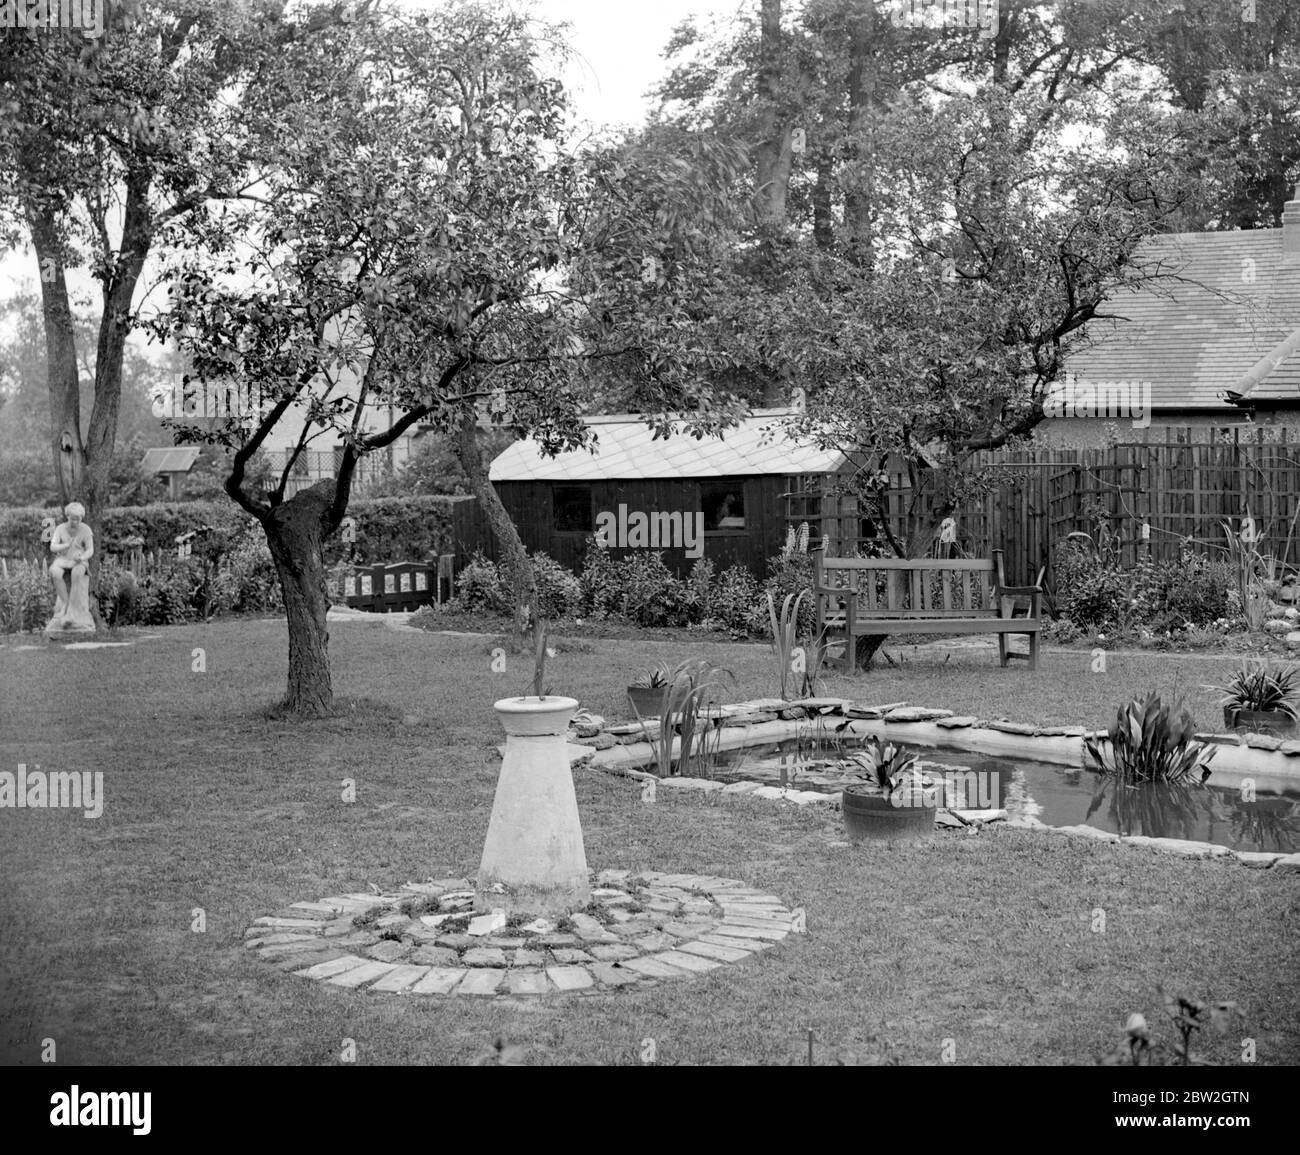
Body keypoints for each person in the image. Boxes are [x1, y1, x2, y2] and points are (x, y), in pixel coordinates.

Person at [48, 502, 94, 627]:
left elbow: (90, 550)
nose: (76, 521)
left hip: (79, 559)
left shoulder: (86, 529)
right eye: (73, 518)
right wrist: (66, 545)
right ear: (67, 516)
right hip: (63, 558)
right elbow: (53, 547)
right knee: (54, 572)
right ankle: (65, 603)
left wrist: (83, 557)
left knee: (77, 573)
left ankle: (72, 612)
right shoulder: (60, 529)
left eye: (78, 519)